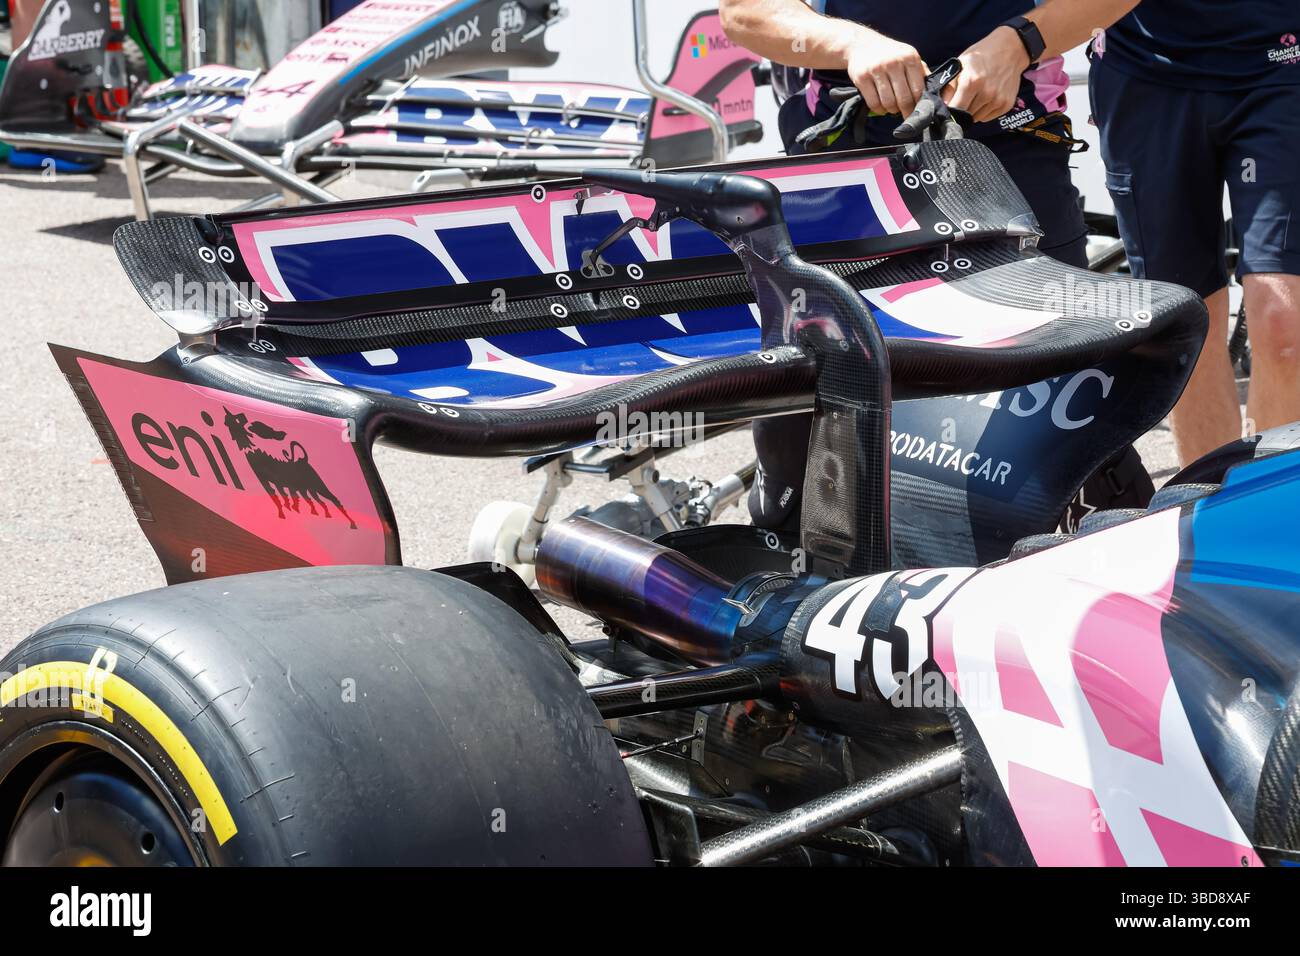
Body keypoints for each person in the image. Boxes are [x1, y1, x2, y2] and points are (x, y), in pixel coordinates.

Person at [719, 0, 1149, 532]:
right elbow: (744, 13)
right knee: (822, 397)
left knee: (1063, 393)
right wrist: (854, 44)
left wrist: (1020, 42)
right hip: (845, 153)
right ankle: (806, 574)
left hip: (1009, 137)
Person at [1089, 3, 1300, 465]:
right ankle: (1211, 513)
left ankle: (1272, 517)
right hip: (1146, 72)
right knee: (1186, 326)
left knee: (1284, 321)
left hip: (1282, 63)